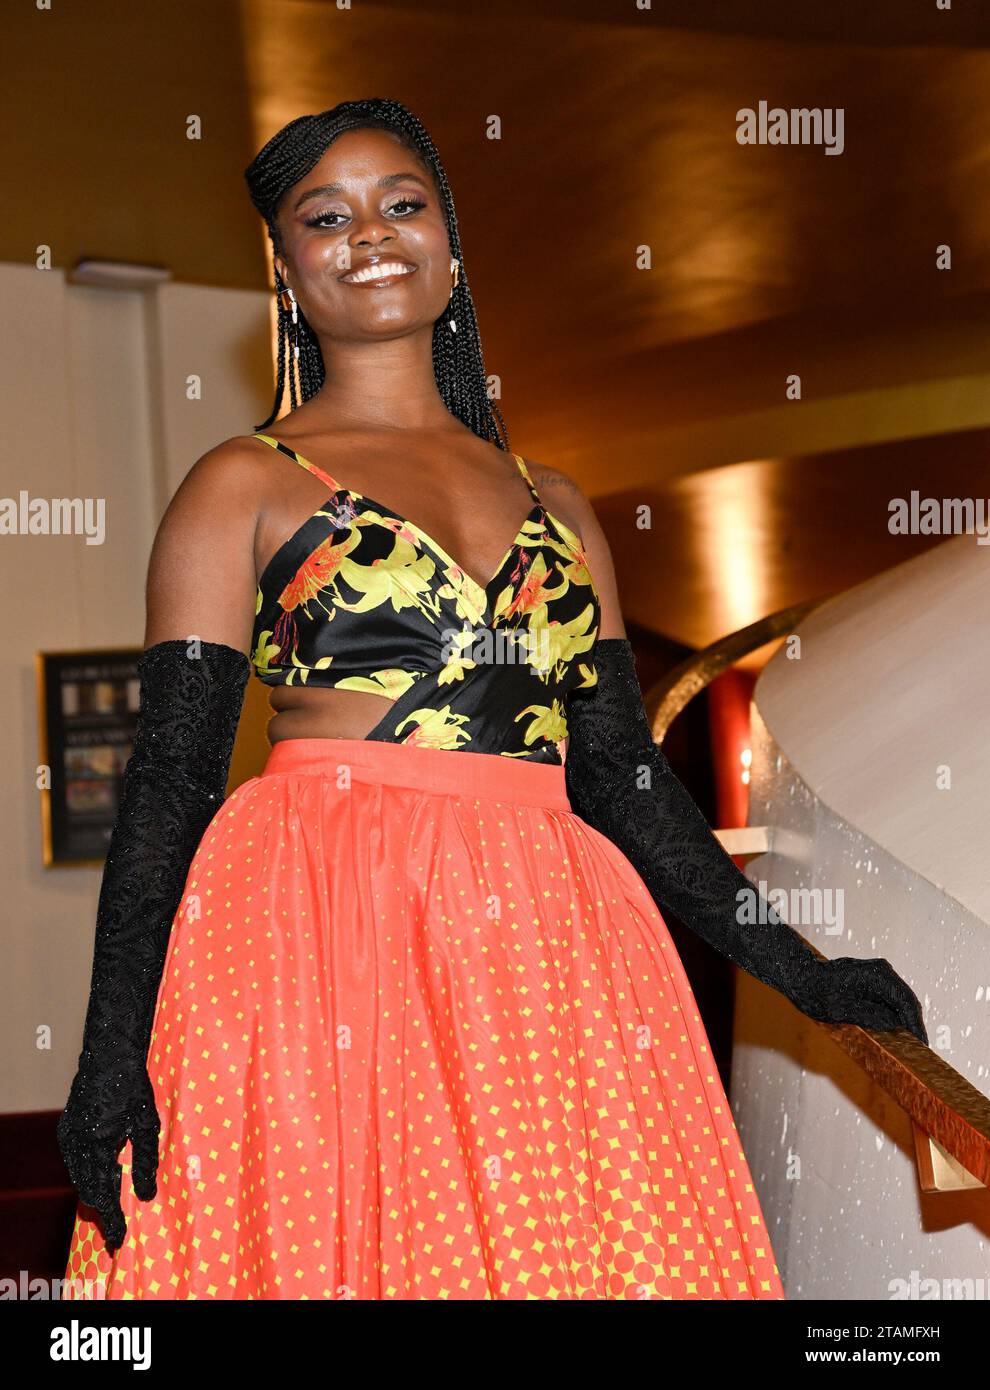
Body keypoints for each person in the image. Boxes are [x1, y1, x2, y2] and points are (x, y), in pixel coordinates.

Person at [57, 98, 927, 1301]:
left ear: (452, 247)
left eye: (402, 203)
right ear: (288, 266)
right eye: (327, 215)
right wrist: (110, 1050)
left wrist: (802, 969)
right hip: (324, 918)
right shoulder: (242, 484)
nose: (371, 233)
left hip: (551, 940)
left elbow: (623, 776)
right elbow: (168, 780)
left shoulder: (559, 504)